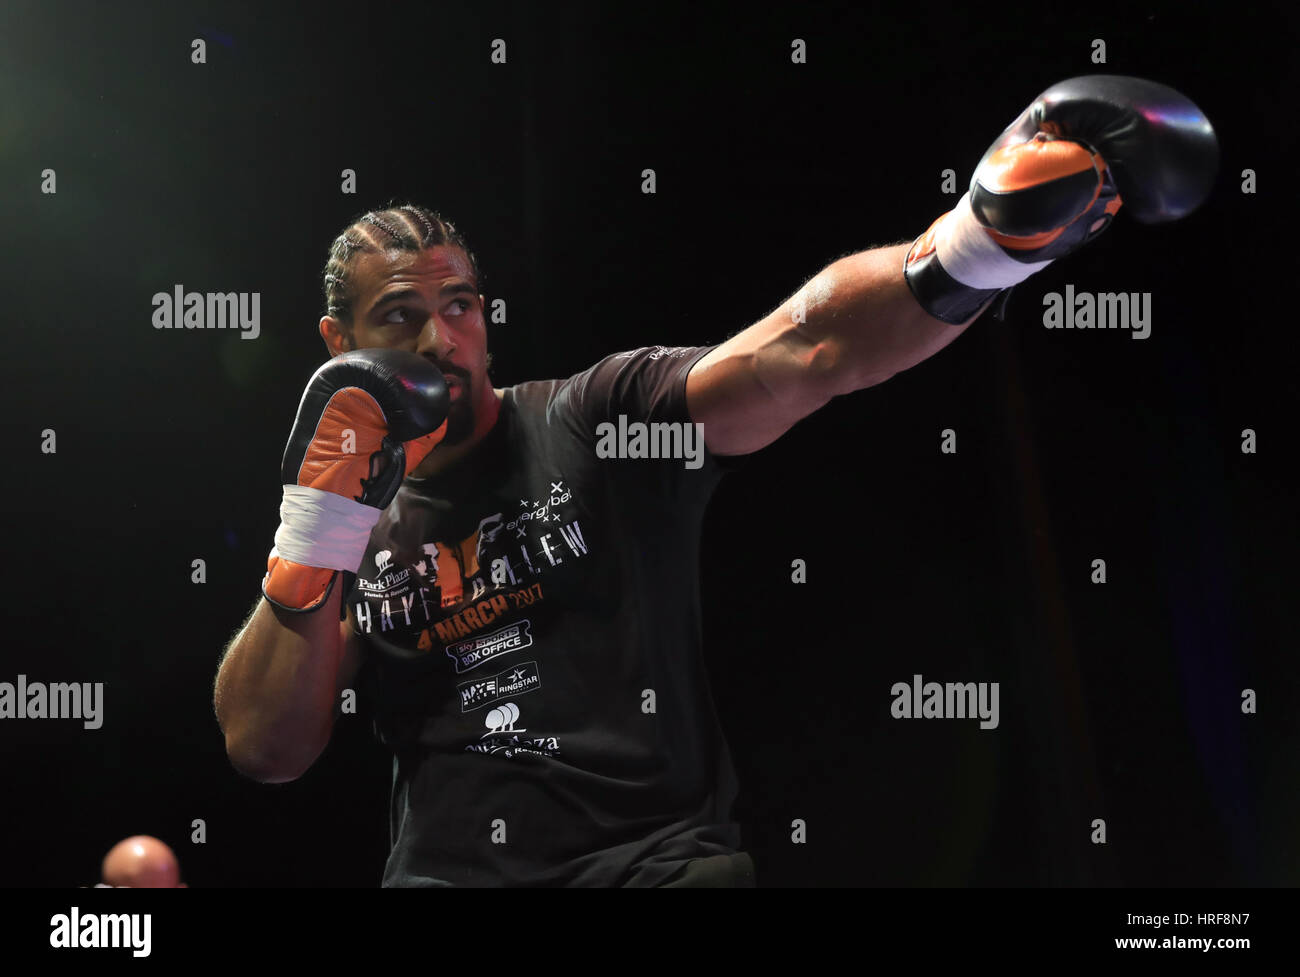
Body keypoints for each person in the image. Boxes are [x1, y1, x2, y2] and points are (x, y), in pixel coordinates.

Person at [213, 76, 1217, 887]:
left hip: (652, 864)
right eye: (399, 315)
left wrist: (968, 247)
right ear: (337, 345)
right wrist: (315, 528)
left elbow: (807, 348)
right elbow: (267, 744)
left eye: (462, 303)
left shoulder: (593, 418)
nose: (442, 338)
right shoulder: (346, 523)